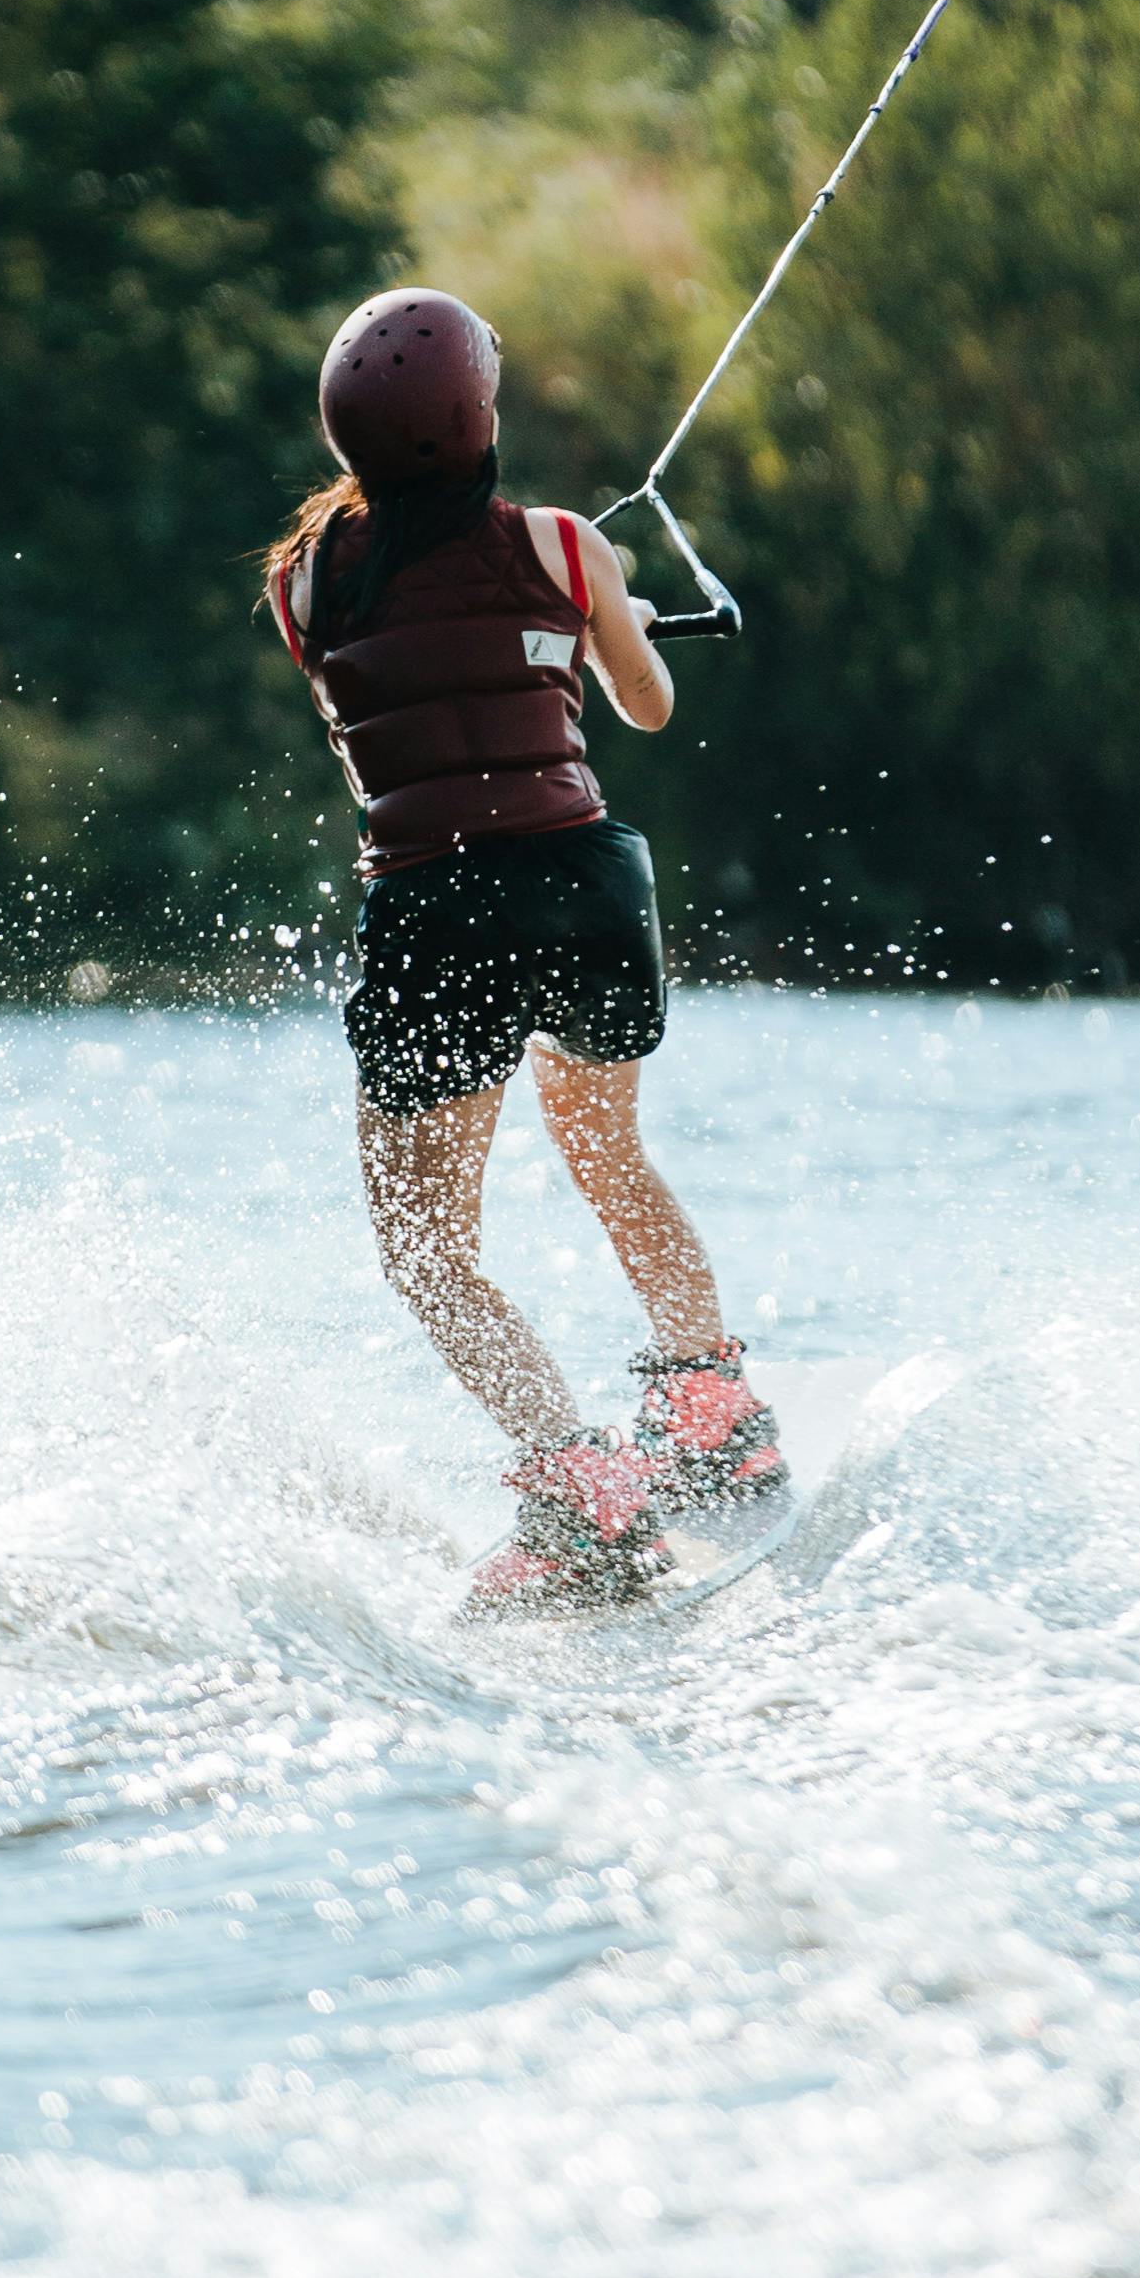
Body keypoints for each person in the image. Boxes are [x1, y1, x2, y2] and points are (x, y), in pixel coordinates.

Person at [266, 285, 780, 1609]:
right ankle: (709, 1405)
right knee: (606, 1146)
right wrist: (617, 613)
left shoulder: (302, 582)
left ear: (346, 445)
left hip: (438, 911)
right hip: (583, 892)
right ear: (485, 416)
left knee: (429, 1253)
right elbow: (646, 708)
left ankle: (579, 1485)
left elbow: (392, 699)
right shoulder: (563, 545)